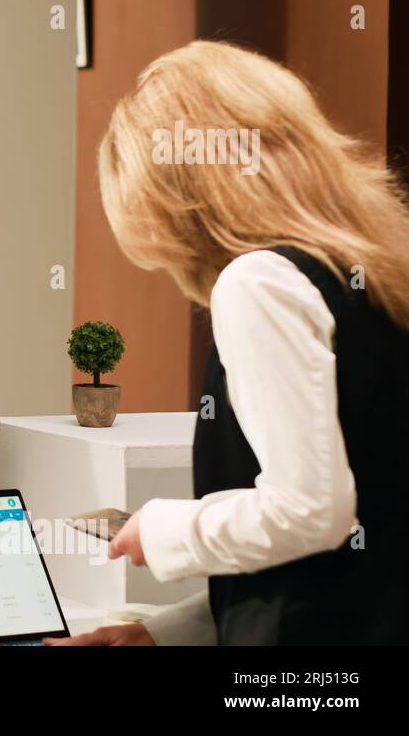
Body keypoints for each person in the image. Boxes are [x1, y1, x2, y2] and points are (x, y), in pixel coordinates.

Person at [46, 40, 409, 645]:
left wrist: (162, 528)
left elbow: (312, 512)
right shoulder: (378, 278)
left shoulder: (259, 281)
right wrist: (162, 634)